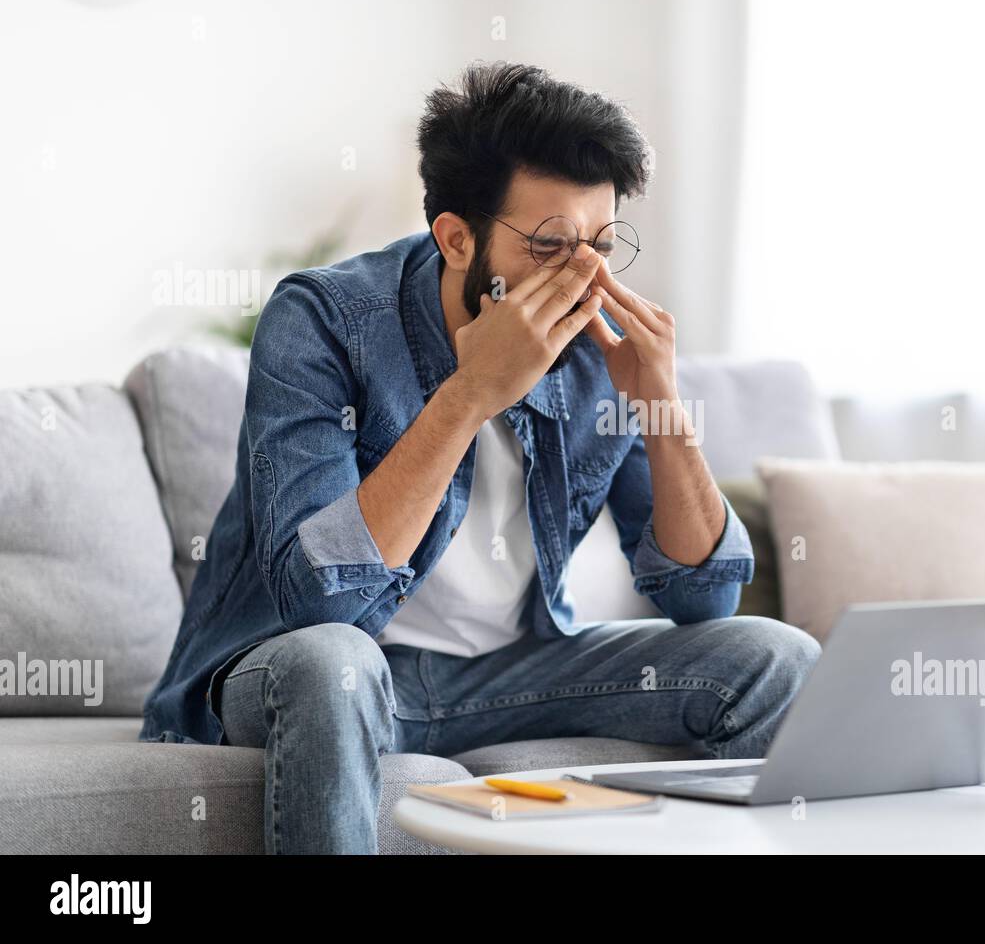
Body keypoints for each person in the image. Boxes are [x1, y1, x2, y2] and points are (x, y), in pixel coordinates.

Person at [139, 61, 820, 854]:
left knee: (777, 657)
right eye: (551, 245)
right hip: (327, 673)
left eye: (602, 244)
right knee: (338, 663)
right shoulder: (323, 320)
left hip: (505, 676)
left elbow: (705, 602)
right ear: (457, 238)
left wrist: (661, 402)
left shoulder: (596, 346)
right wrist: (469, 393)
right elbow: (321, 604)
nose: (586, 277)